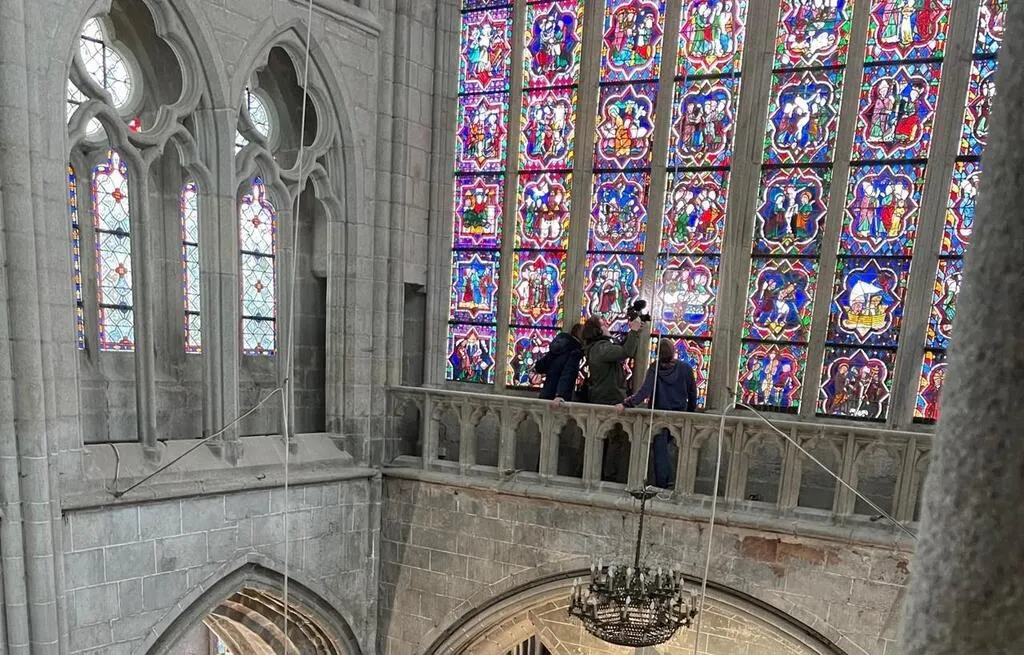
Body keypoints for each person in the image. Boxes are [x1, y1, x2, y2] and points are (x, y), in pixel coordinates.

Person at [616, 338, 698, 489]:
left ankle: (662, 485)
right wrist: (691, 412)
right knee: (677, 449)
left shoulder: (655, 368)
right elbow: (693, 393)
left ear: (657, 353)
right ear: (673, 351)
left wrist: (626, 403)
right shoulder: (685, 368)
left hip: (659, 415)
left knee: (661, 451)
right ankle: (676, 485)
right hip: (680, 416)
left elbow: (644, 392)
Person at [579, 314, 643, 483]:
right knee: (613, 440)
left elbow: (619, 348)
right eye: (603, 324)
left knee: (606, 440)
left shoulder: (599, 347)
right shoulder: (601, 348)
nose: (607, 326)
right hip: (609, 399)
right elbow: (626, 351)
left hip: (606, 397)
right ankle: (607, 477)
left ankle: (601, 475)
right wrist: (634, 331)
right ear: (597, 330)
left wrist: (631, 333)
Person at [535, 323, 584, 406]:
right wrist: (561, 395)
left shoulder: (558, 347)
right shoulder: (574, 351)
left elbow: (540, 367)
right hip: (558, 400)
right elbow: (568, 374)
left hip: (547, 392)